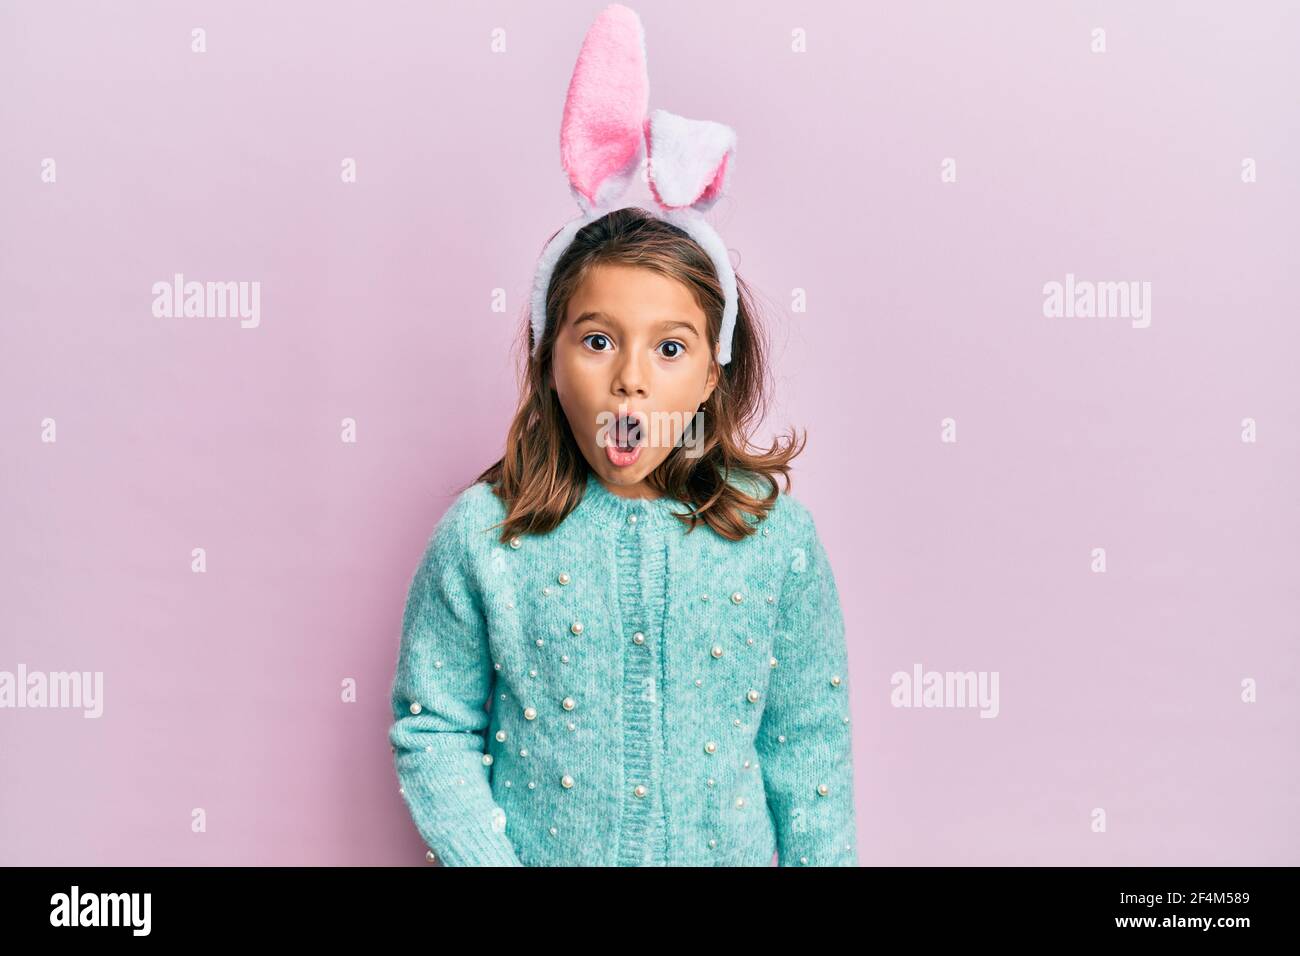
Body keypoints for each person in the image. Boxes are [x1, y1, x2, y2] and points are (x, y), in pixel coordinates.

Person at [387, 4, 857, 867]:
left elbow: (808, 749)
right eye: (598, 340)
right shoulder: (483, 539)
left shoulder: (775, 541)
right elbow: (432, 727)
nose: (631, 376)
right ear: (549, 357)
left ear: (713, 371)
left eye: (669, 348)